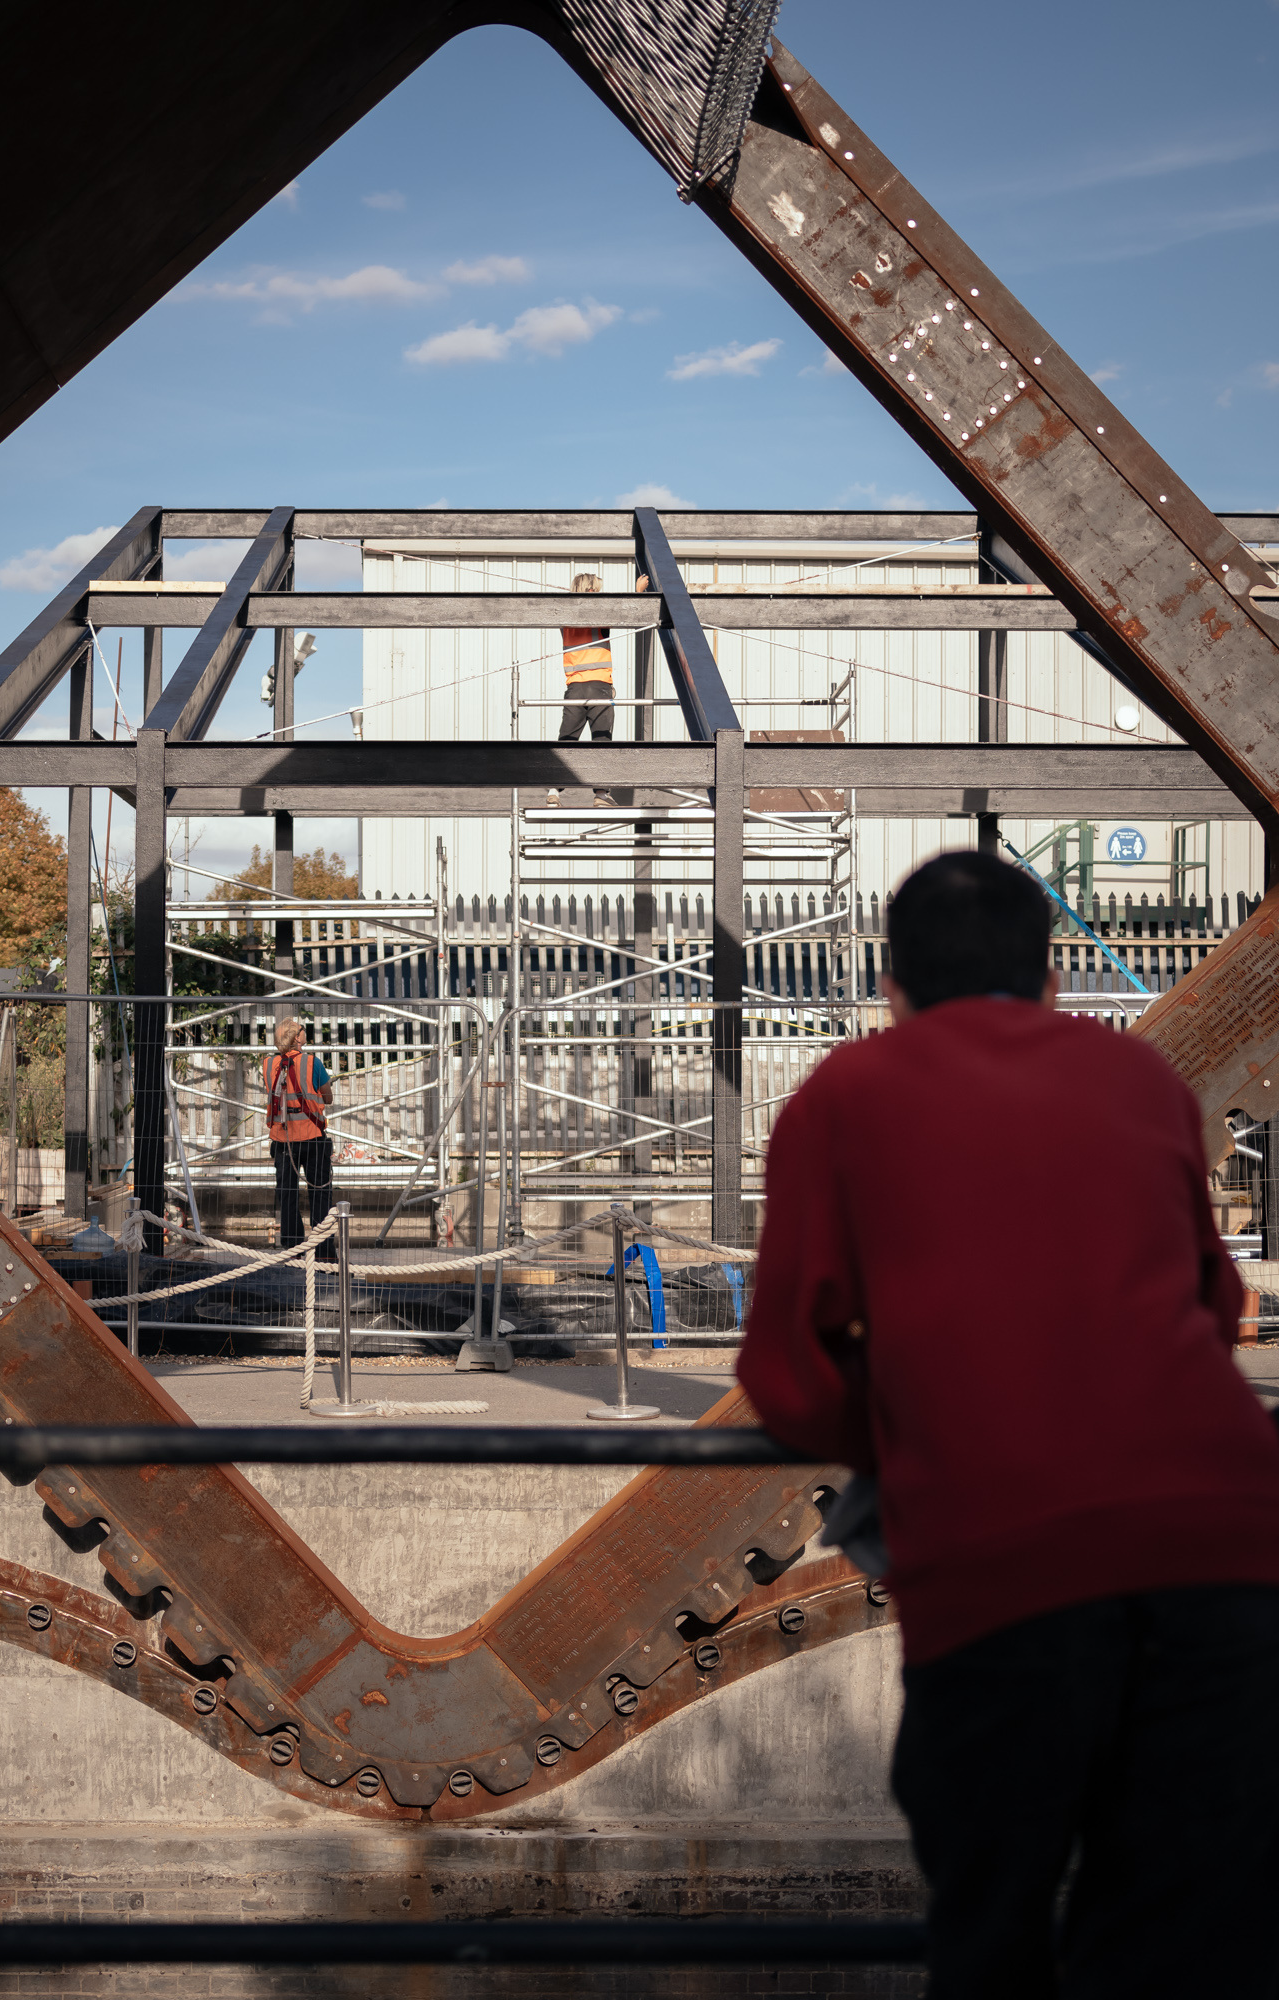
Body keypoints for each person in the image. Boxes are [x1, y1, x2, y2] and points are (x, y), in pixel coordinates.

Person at [736, 850, 1279, 1999]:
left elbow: (784, 1372)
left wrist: (912, 1426)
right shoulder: (1139, 1081)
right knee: (1183, 1942)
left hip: (1002, 1566)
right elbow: (1215, 1307)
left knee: (990, 1928)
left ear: (892, 984)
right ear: (1045, 975)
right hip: (1231, 1553)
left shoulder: (845, 1095)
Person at [546, 572, 649, 809]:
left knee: (567, 739)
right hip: (599, 686)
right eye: (597, 591)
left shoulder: (565, 619)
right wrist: (638, 592)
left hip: (574, 688)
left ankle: (554, 791)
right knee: (602, 739)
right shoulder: (599, 616)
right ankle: (601, 794)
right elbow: (625, 613)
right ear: (592, 591)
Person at [263, 1017, 335, 1249]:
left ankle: (293, 1250)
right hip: (312, 1138)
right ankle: (323, 1251)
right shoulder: (313, 1063)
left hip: (283, 1140)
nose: (305, 1032)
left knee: (287, 1195)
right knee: (320, 1195)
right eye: (303, 1029)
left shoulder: (267, 1064)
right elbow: (328, 1097)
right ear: (297, 1037)